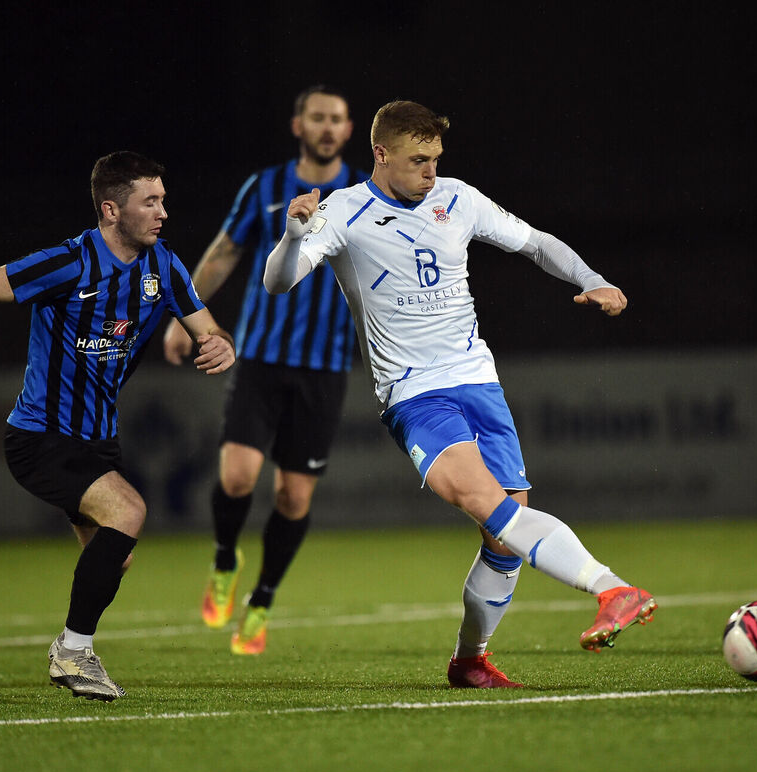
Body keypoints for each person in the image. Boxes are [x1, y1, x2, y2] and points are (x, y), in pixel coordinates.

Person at [263, 99, 657, 689]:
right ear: (381, 154)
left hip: (479, 381)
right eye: (418, 159)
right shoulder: (344, 211)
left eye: (436, 158)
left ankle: (470, 660)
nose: (430, 170)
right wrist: (294, 236)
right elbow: (279, 281)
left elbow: (535, 242)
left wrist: (591, 278)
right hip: (414, 393)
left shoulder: (457, 198)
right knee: (484, 502)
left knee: (506, 535)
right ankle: (613, 589)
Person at [0, 151, 236, 700]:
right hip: (41, 437)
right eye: (148, 202)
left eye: (163, 200)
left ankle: (75, 645)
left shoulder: (165, 267)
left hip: (97, 439)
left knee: (117, 554)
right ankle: (72, 652)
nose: (162, 213)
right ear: (111, 209)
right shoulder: (69, 263)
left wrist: (219, 344)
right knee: (129, 511)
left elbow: (206, 327)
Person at [164, 86, 368, 655]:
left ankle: (261, 602)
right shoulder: (265, 186)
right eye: (317, 117)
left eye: (337, 118)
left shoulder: (363, 194)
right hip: (259, 357)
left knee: (293, 499)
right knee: (235, 480)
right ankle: (226, 559)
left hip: (324, 368)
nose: (327, 127)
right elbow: (226, 251)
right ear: (298, 124)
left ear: (350, 130)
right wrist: (187, 319)